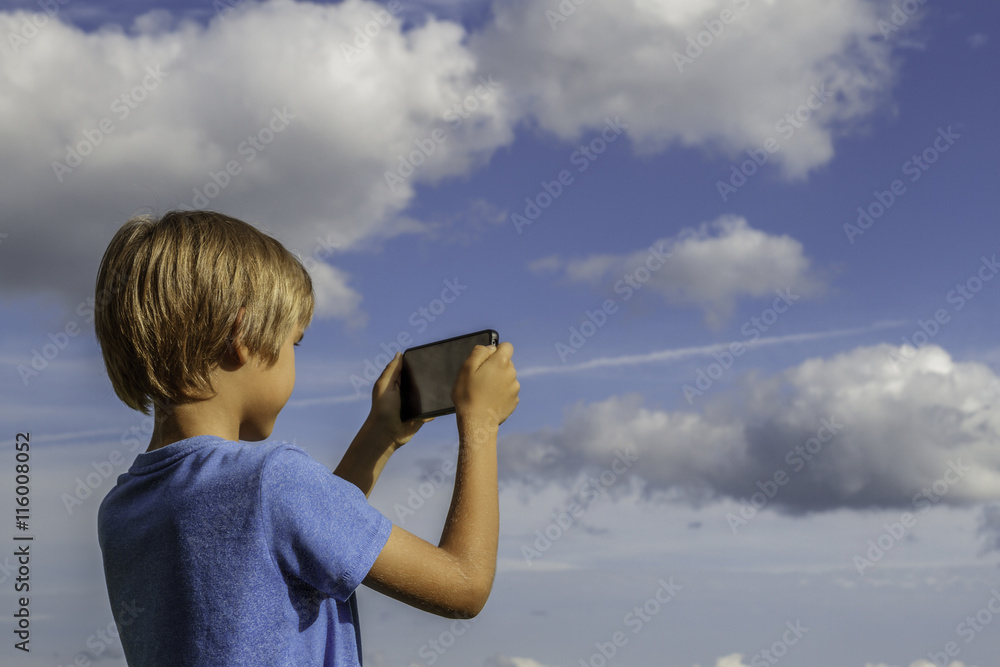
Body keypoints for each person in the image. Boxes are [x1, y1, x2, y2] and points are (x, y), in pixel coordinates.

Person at [94, 210, 519, 666]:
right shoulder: (270, 481)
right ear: (241, 335)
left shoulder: (121, 510)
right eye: (293, 343)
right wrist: (480, 425)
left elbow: (295, 537)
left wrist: (381, 435)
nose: (294, 358)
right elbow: (464, 585)